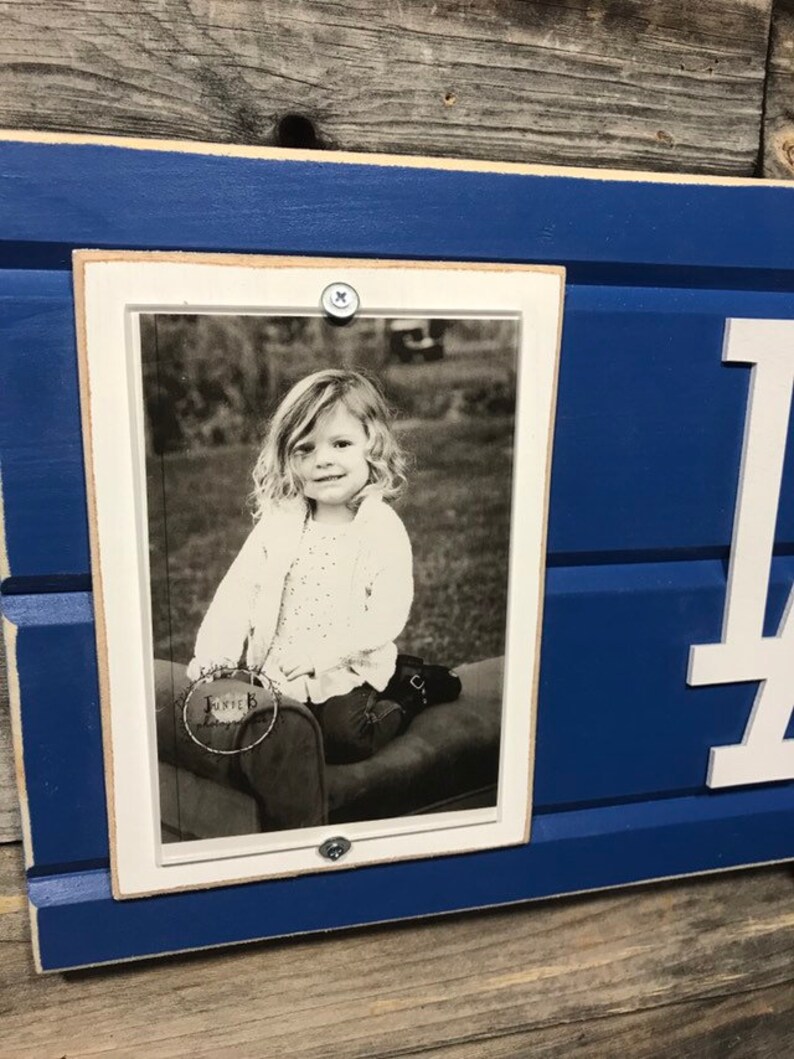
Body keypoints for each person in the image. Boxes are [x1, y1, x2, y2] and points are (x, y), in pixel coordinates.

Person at [186, 368, 431, 763]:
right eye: (306, 449)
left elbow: (387, 614)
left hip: (346, 664)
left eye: (341, 443)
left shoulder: (379, 528)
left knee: (345, 737)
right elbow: (237, 593)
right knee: (248, 727)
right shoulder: (279, 523)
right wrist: (215, 660)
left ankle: (414, 689)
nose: (323, 461)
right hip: (280, 668)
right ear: (287, 458)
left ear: (373, 445)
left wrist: (322, 655)